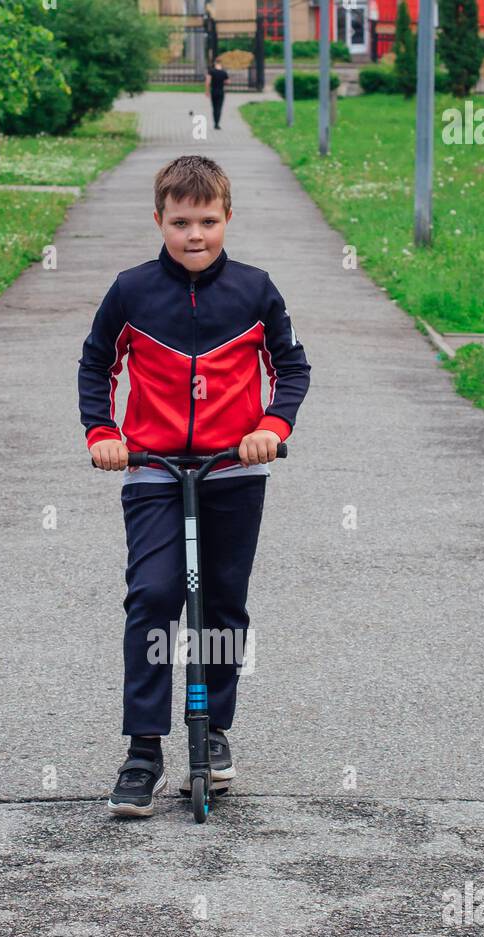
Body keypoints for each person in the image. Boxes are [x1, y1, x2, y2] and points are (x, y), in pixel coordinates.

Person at [77, 155, 311, 817]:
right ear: (159, 221)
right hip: (152, 468)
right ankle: (144, 749)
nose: (195, 234)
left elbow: (290, 366)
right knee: (153, 598)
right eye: (181, 221)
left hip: (233, 471)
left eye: (208, 220)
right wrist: (103, 432)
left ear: (228, 219)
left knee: (221, 605)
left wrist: (270, 423)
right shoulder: (131, 292)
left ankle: (212, 738)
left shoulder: (257, 291)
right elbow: (97, 362)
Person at [205, 57, 228, 130]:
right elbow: (228, 81)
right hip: (221, 91)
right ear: (221, 63)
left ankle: (215, 123)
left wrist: (207, 91)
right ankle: (217, 124)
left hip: (213, 91)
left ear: (215, 63)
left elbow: (208, 82)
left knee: (214, 108)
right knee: (219, 108)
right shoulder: (224, 72)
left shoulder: (211, 71)